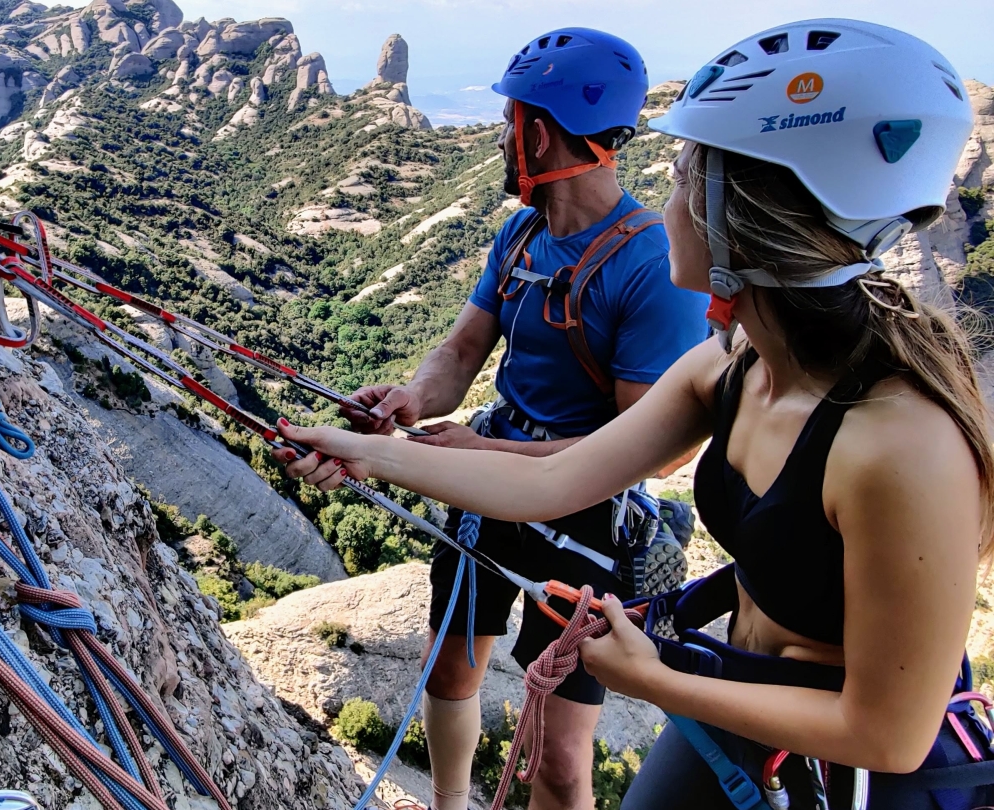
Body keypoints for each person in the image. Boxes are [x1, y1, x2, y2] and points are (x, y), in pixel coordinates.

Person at [280, 18, 990, 810]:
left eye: (688, 176)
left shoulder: (902, 446)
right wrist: (364, 452)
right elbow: (553, 484)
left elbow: (889, 733)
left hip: (849, 770)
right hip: (738, 706)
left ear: (740, 212)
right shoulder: (729, 366)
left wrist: (657, 681)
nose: (669, 195)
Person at [338, 27, 709, 810]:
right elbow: (465, 344)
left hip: (587, 524)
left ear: (536, 132)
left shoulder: (651, 268)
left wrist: (482, 453)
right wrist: (412, 398)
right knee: (450, 668)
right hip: (491, 478)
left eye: (510, 123)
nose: (503, 141)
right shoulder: (522, 235)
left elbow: (639, 452)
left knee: (562, 755)